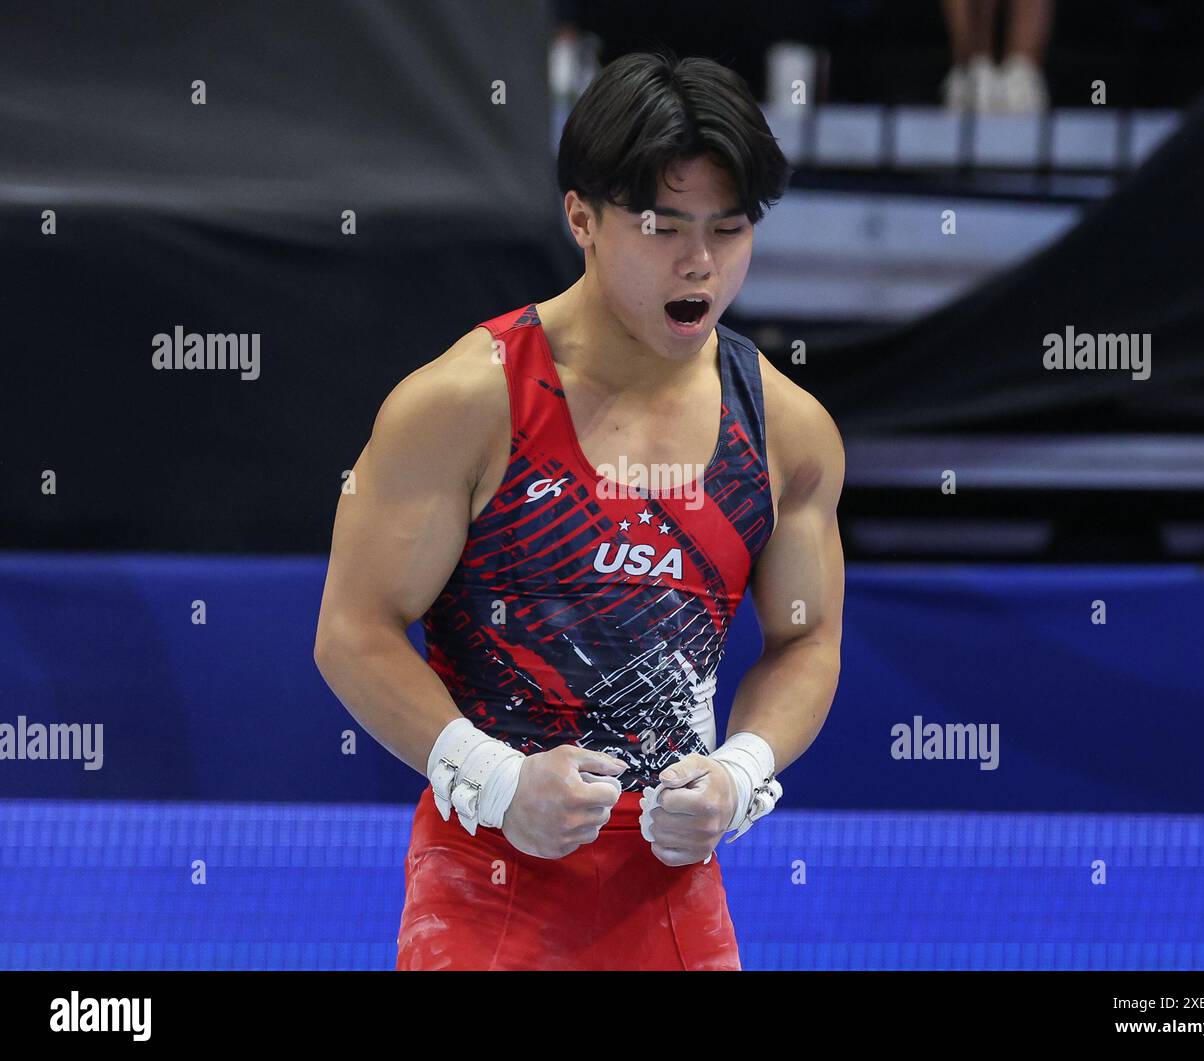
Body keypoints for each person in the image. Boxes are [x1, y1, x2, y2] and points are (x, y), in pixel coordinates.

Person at [313, 51, 845, 971]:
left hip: (674, 891)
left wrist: (740, 773)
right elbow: (352, 631)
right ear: (582, 219)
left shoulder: (788, 432)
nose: (702, 263)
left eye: (729, 228)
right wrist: (498, 781)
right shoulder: (465, 405)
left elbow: (808, 641)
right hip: (488, 879)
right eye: (664, 226)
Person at [941, 0, 1054, 113]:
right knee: (978, 72)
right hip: (970, 67)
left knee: (1020, 76)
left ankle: (1020, 78)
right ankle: (975, 73)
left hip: (1023, 68)